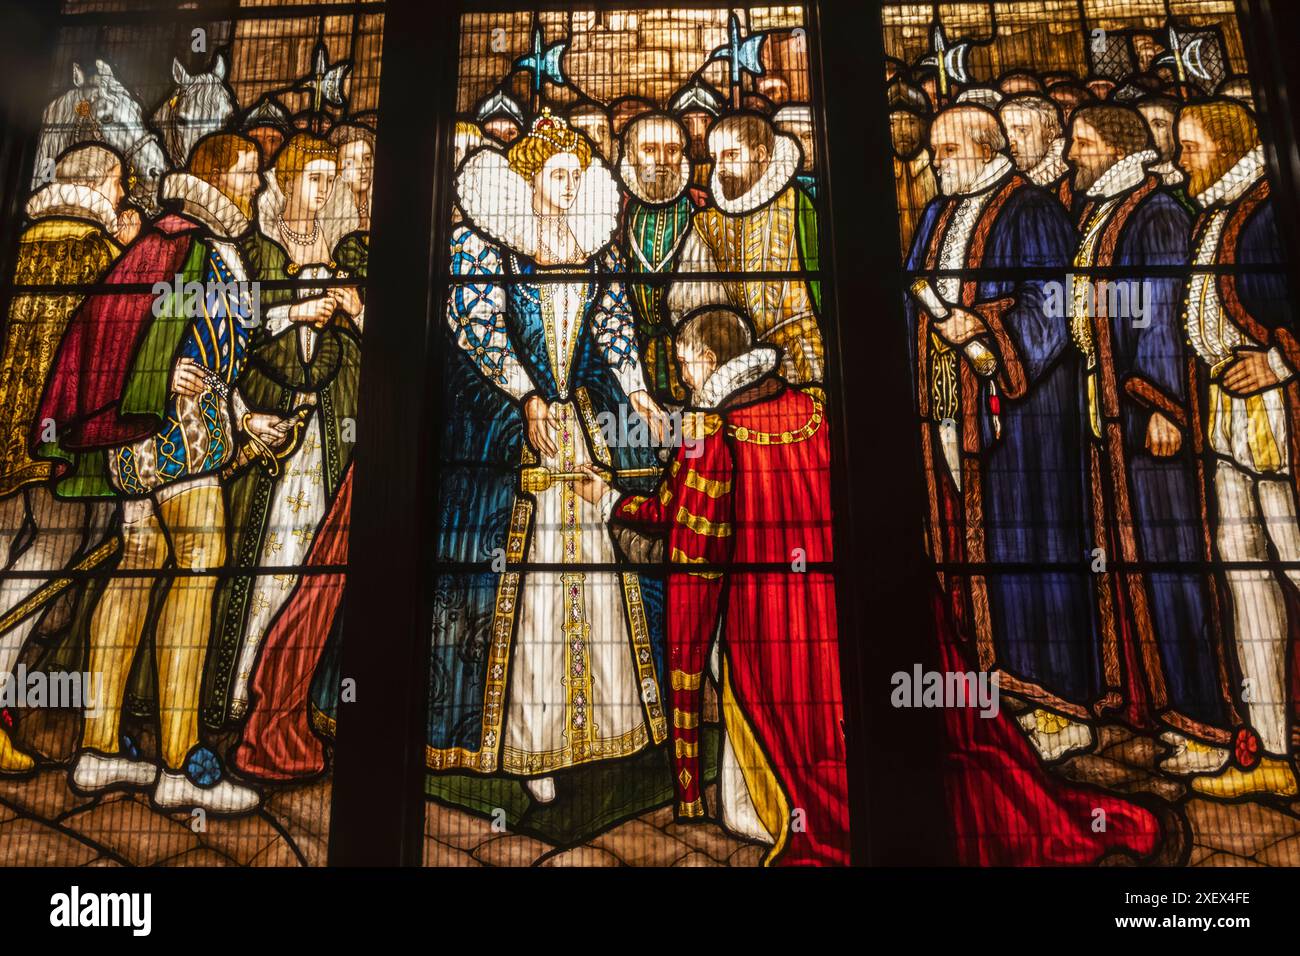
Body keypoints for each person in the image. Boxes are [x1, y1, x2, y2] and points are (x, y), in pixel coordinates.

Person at [37, 131, 291, 812]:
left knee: (139, 562)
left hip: (160, 436)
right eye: (248, 172)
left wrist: (243, 415)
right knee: (199, 568)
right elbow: (133, 328)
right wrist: (156, 384)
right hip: (174, 442)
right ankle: (180, 761)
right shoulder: (188, 242)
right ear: (214, 176)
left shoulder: (191, 242)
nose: (257, 182)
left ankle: (98, 748)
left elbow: (212, 349)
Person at [430, 110, 667, 803]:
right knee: (524, 586)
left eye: (576, 176)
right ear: (527, 180)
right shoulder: (486, 246)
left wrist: (640, 393)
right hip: (510, 433)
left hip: (578, 429)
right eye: (556, 175)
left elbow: (617, 326)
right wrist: (526, 396)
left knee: (594, 576)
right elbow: (476, 329)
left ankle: (598, 728)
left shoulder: (596, 248)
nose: (568, 187)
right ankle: (530, 747)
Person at [576, 306, 849, 865]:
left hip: (757, 615)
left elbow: (680, 526)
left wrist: (605, 499)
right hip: (824, 603)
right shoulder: (815, 408)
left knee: (755, 754)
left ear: (707, 359)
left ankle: (759, 805)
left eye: (684, 363)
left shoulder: (713, 430)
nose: (681, 376)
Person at [905, 105, 1094, 761]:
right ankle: (992, 684)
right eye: (934, 150)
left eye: (948, 148)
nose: (937, 161)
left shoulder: (1032, 210)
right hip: (947, 406)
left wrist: (983, 326)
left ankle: (1059, 704)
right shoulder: (936, 212)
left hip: (1023, 418)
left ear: (988, 148)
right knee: (965, 546)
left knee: (1031, 546)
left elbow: (1056, 301)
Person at [1064, 104, 1233, 771]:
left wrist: (1164, 405)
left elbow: (1162, 313)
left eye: (1084, 142)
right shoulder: (1105, 209)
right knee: (1132, 559)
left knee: (1172, 563)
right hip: (1110, 410)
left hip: (1148, 416)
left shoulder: (1156, 214)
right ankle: (1157, 706)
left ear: (1119, 147)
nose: (1074, 154)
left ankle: (1206, 723)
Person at [203, 133, 361, 730]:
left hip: (319, 432)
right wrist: (295, 312)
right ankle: (235, 691)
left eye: (329, 180)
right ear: (288, 180)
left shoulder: (335, 249)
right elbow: (232, 332)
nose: (324, 192)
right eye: (314, 179)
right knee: (256, 556)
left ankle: (281, 691)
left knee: (302, 561)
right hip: (265, 420)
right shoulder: (258, 249)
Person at [0, 145, 138, 772]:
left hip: (5, 432)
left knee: (6, 553)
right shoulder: (98, 254)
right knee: (49, 557)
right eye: (120, 185)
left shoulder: (21, 240)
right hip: (53, 438)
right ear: (106, 185)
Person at [1176, 100, 1298, 798]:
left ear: (1227, 147)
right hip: (1228, 420)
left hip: (1280, 415)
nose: (1184, 159)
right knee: (1247, 582)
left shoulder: (1267, 208)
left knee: (1296, 561)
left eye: (1192, 147)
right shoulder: (1218, 211)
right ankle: (1272, 750)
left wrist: (1281, 366)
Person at [668, 112, 824, 387]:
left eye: (731, 155)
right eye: (717, 158)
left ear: (761, 154)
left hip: (808, 361)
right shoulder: (709, 224)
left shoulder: (800, 205)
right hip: (739, 370)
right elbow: (690, 305)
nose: (722, 167)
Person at [617, 112, 702, 402]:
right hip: (631, 352)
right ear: (630, 155)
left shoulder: (703, 209)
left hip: (694, 356)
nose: (662, 161)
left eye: (672, 150)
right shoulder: (612, 214)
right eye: (650, 149)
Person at [998, 94, 1073, 211]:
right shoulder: (1002, 180)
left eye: (1022, 130)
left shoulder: (1067, 185)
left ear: (1050, 134)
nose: (1009, 141)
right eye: (1004, 131)